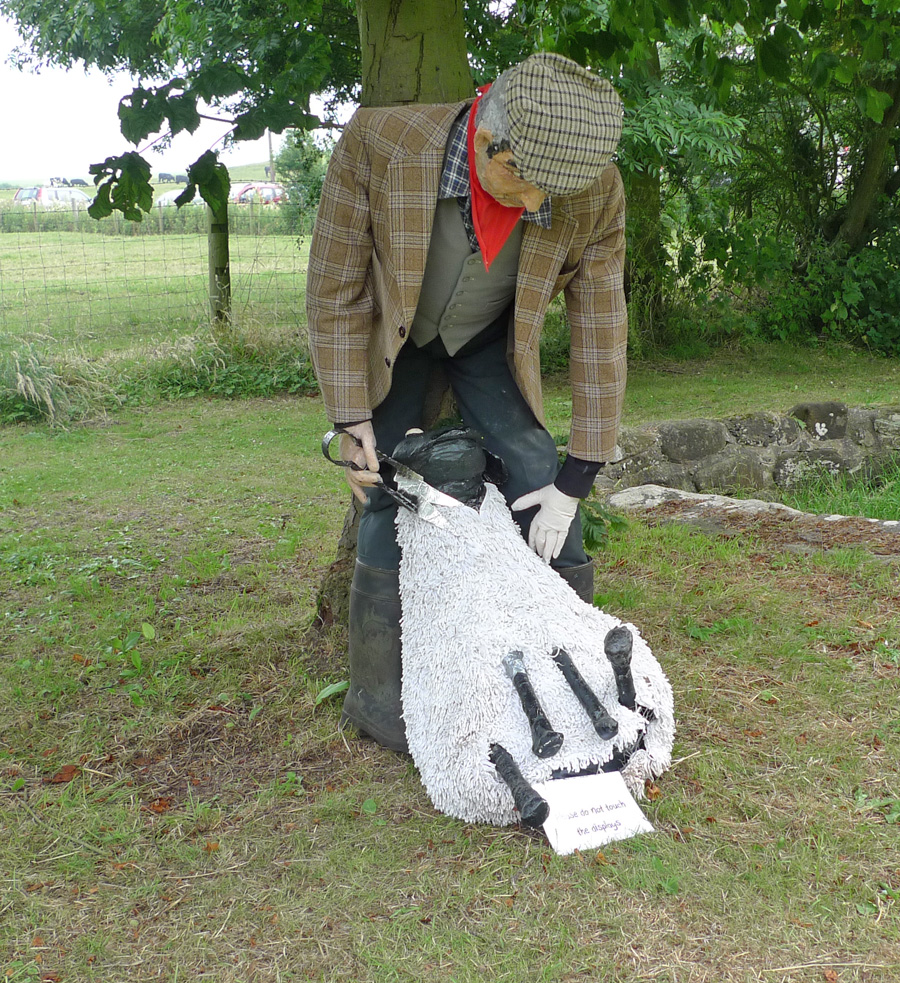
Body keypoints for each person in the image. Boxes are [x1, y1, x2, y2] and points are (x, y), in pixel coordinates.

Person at [307, 52, 628, 753]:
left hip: (490, 340)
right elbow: (335, 288)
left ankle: (566, 671)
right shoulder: (378, 144)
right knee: (387, 485)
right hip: (399, 340)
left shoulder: (593, 188)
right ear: (487, 141)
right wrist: (349, 416)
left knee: (539, 467)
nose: (542, 205)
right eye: (528, 183)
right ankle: (379, 697)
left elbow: (601, 326)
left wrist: (581, 473)